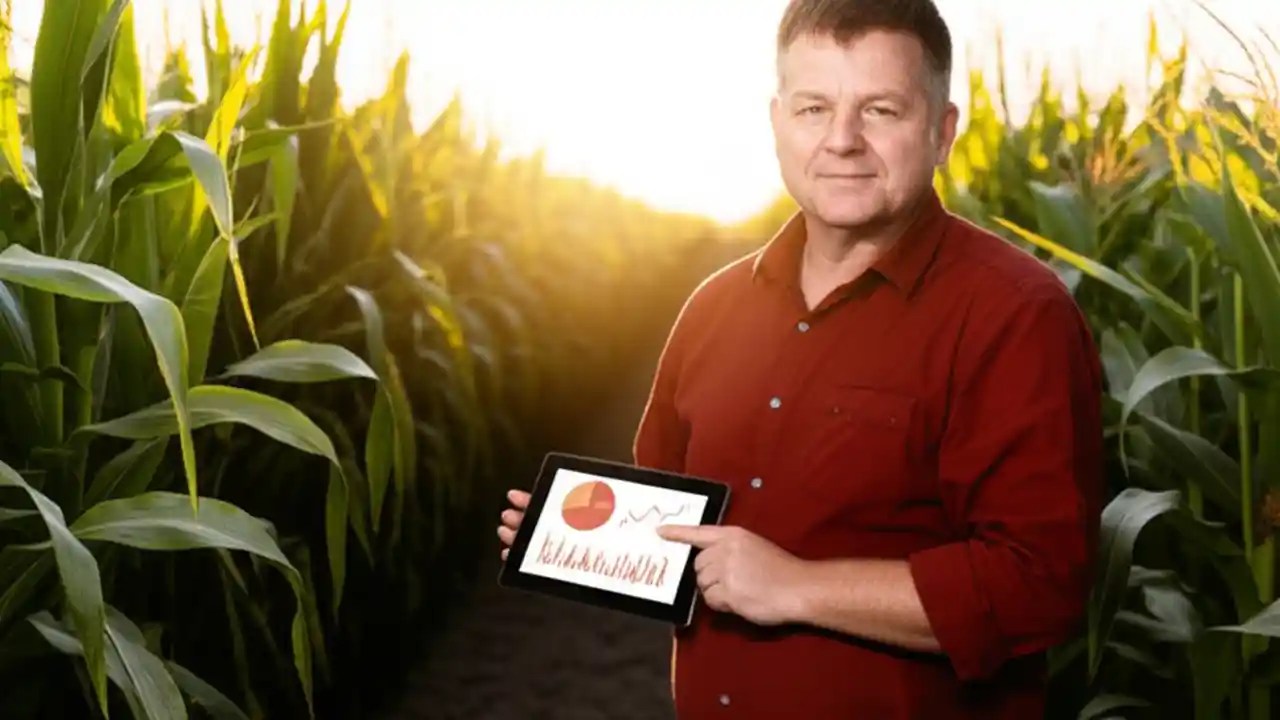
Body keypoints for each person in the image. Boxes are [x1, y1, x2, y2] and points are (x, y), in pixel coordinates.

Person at [498, 0, 1104, 716]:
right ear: (779, 123)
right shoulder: (713, 309)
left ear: (942, 134)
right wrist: (572, 535)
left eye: (881, 110)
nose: (842, 140)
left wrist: (796, 587)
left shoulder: (1014, 315)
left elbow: (1038, 583)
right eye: (815, 108)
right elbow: (681, 529)